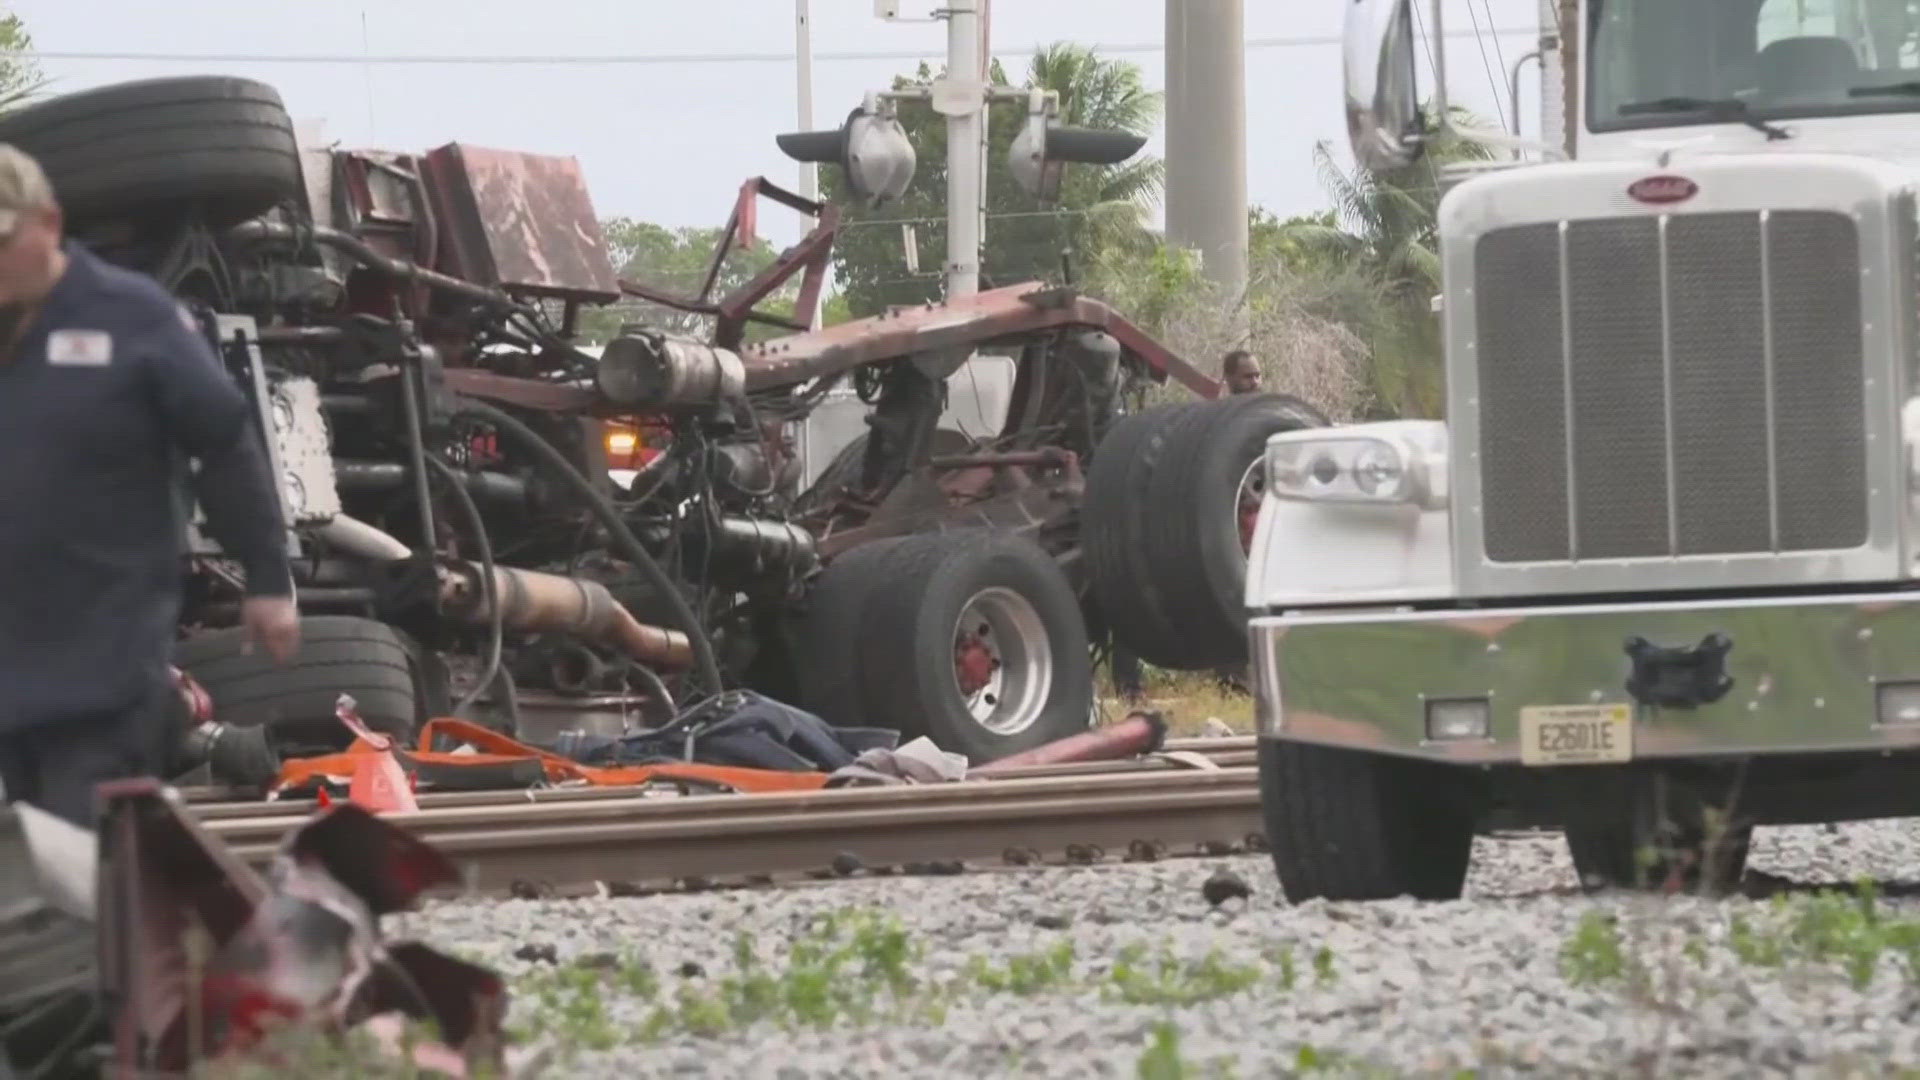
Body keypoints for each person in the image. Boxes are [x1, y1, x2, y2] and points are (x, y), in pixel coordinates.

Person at [0, 145, 299, 827]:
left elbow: (223, 444)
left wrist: (266, 577)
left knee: (78, 851)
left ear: (47, 224)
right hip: (10, 667)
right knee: (27, 858)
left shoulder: (131, 318)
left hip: (103, 664)